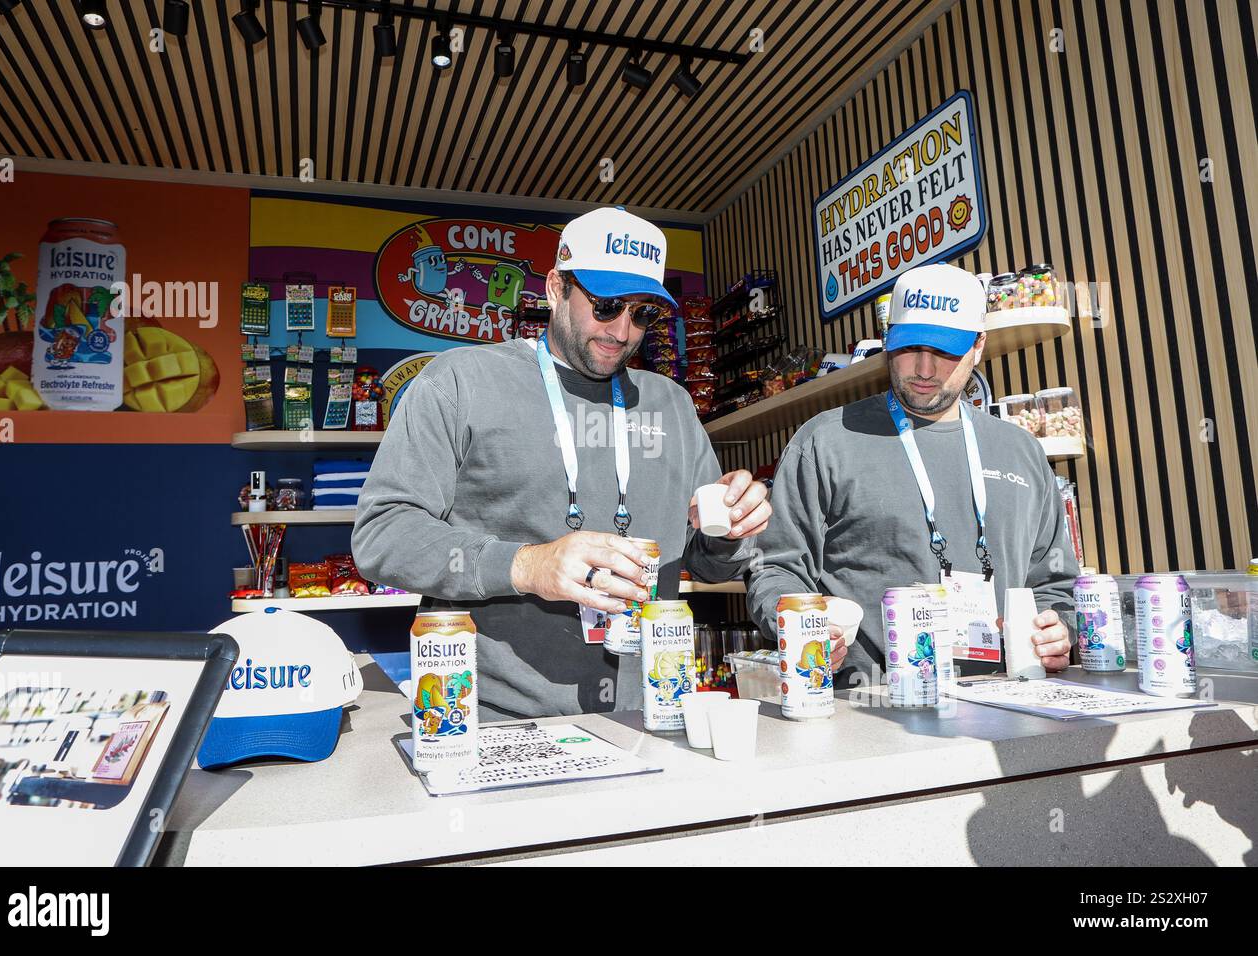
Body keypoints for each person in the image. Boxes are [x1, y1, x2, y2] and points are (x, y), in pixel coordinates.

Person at [353, 206, 784, 720]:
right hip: (493, 716)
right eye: (605, 305)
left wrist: (730, 530)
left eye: (642, 313)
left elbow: (712, 564)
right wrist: (526, 565)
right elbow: (382, 536)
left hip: (654, 708)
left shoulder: (670, 403)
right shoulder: (460, 384)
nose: (623, 331)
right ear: (557, 288)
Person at [747, 263, 1076, 681]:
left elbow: (1056, 583)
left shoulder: (1022, 452)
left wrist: (1059, 629)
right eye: (908, 348)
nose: (923, 369)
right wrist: (799, 627)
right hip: (870, 708)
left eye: (944, 351)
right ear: (887, 341)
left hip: (1008, 700)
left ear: (978, 345)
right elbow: (775, 567)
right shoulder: (826, 442)